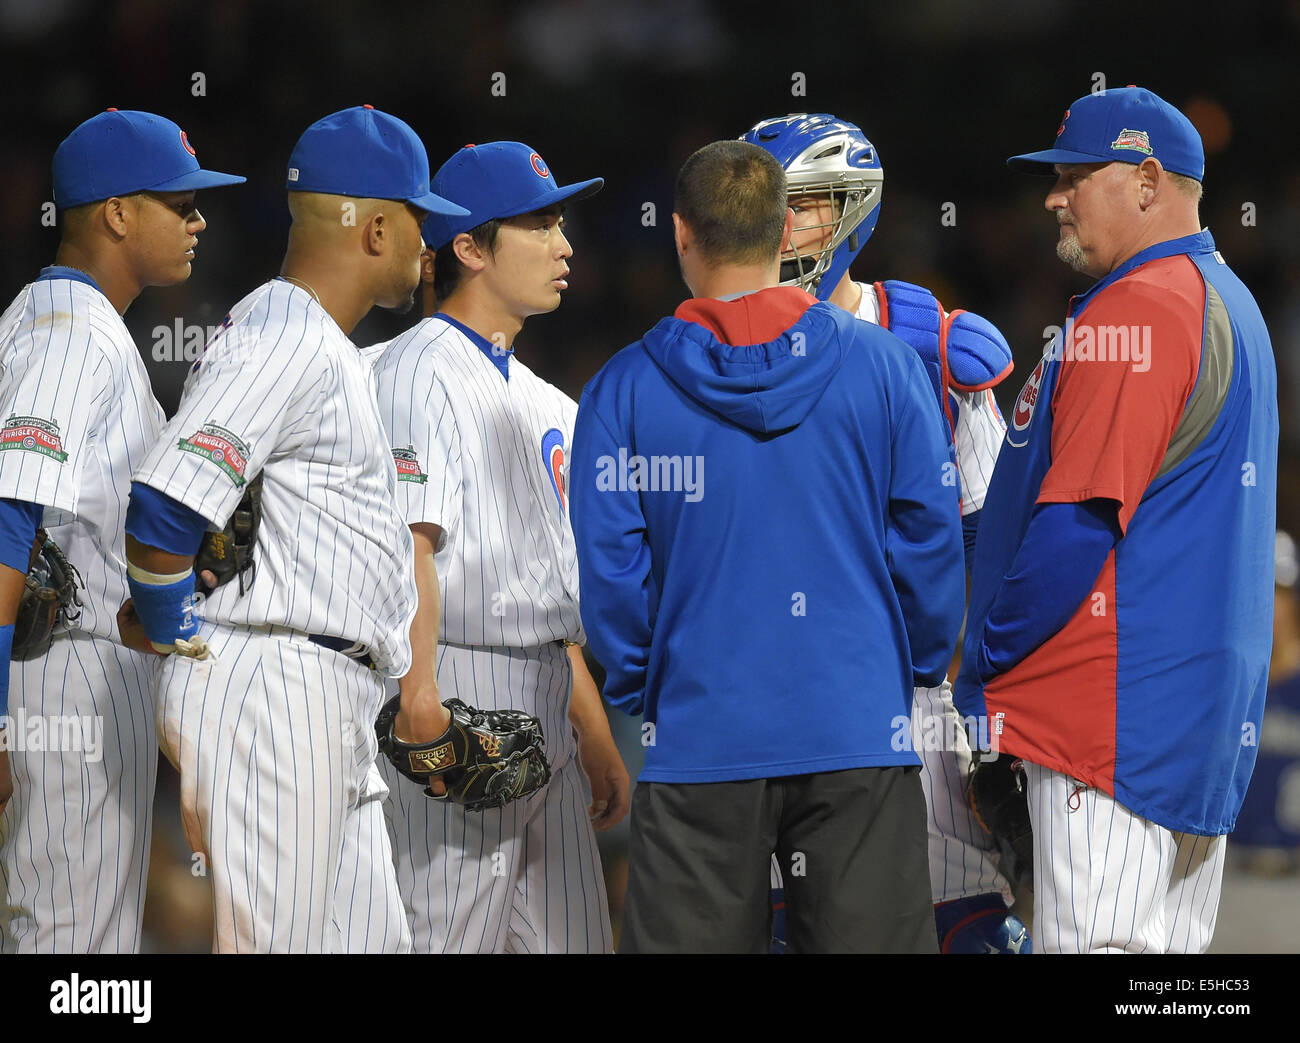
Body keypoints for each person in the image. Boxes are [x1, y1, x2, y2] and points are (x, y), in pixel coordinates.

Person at [570, 139, 965, 953]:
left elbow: (613, 580)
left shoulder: (622, 388)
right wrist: (906, 666)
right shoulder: (887, 367)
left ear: (681, 233)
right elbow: (930, 541)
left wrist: (656, 683)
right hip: (858, 733)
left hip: (701, 739)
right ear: (788, 230)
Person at [120, 105, 468, 953]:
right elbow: (165, 506)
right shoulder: (285, 335)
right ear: (376, 227)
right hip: (275, 687)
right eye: (422, 220)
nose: (432, 245)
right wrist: (172, 626)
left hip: (324, 691)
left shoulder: (319, 345)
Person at [955, 86, 1278, 953]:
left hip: (1109, 725)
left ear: (1146, 181)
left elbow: (1077, 527)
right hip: (1191, 727)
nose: (1054, 197)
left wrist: (981, 666)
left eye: (1074, 176)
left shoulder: (1137, 308)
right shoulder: (1227, 300)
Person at [743, 112, 1028, 953]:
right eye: (767, 204)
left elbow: (990, 546)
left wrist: (989, 716)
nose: (781, 225)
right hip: (776, 694)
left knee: (958, 919)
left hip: (921, 699)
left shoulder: (933, 348)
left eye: (802, 205)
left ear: (852, 208)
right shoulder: (713, 343)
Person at [369, 141, 626, 954]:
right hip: (454, 677)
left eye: (561, 221)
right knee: (440, 936)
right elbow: (411, 545)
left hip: (544, 681)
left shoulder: (552, 401)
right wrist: (420, 701)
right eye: (541, 223)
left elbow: (552, 589)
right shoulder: (416, 369)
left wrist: (591, 724)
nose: (565, 244)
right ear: (470, 248)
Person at [0, 109, 244, 953]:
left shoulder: (78, 328)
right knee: (66, 943)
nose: (198, 220)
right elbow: (5, 518)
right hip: (53, 682)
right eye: (179, 203)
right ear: (114, 212)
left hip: (76, 675)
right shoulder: (69, 336)